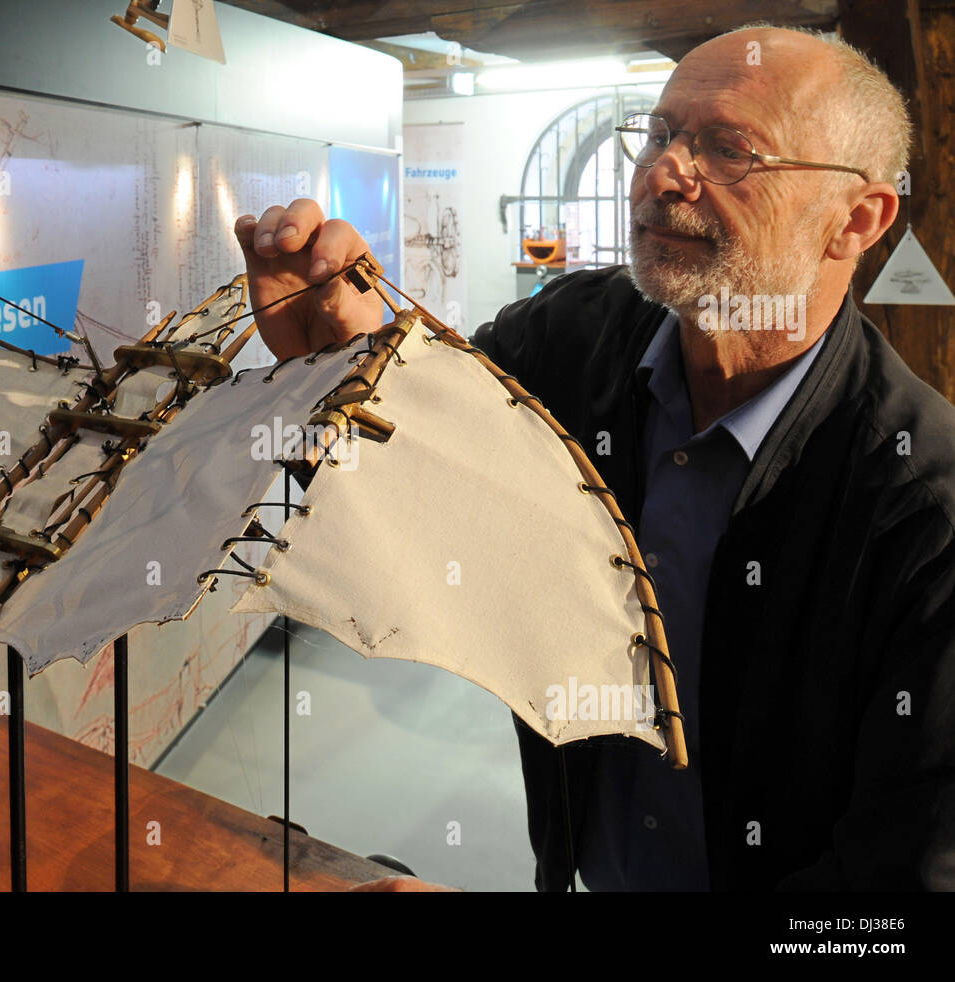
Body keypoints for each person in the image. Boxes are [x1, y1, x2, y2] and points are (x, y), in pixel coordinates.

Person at [234, 25, 955, 891]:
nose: (661, 174)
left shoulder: (923, 508)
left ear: (857, 218)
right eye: (656, 135)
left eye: (728, 148)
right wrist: (339, 359)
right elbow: (425, 456)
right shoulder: (570, 334)